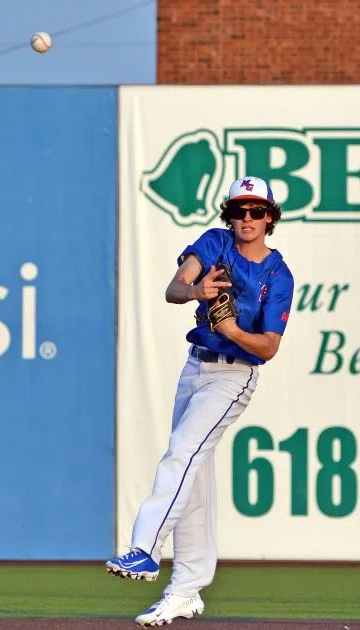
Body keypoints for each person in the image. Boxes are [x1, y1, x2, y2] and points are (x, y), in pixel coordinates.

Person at [106, 176, 295, 627]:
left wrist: (230, 330)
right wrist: (197, 291)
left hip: (233, 375)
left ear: (270, 217)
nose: (246, 218)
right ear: (228, 213)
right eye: (239, 210)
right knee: (193, 473)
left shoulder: (278, 275)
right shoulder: (215, 243)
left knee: (182, 454)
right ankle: (186, 590)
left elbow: (268, 347)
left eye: (256, 210)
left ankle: (146, 551)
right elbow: (174, 288)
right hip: (196, 367)